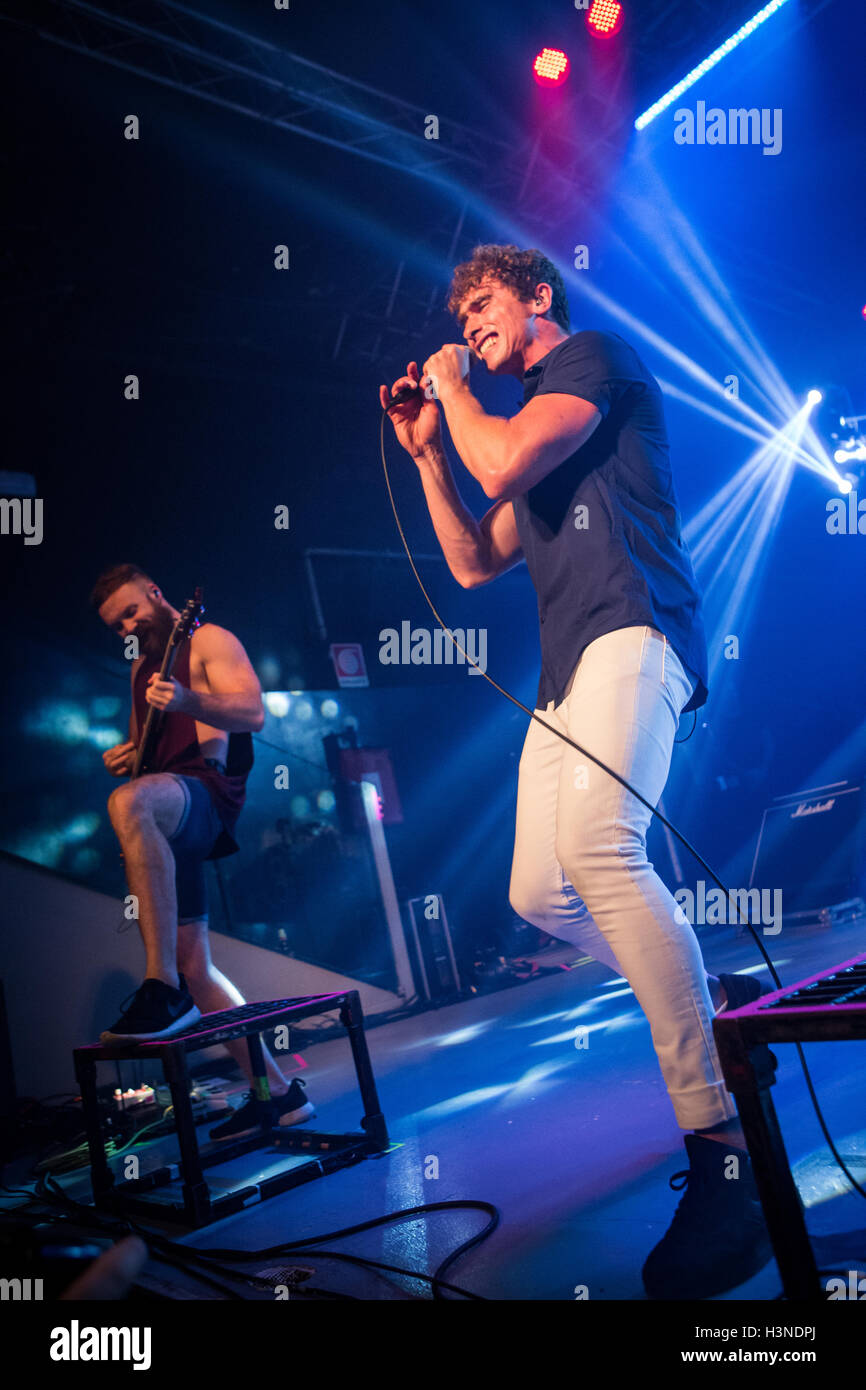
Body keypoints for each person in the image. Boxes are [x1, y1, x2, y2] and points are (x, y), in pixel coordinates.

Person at [379, 244, 773, 1299]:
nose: (468, 329)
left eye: (482, 307)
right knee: (533, 889)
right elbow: (472, 558)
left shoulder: (590, 362)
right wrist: (426, 452)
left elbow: (503, 460)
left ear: (537, 297)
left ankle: (721, 1150)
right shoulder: (520, 433)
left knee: (599, 848)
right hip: (566, 668)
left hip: (633, 630)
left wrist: (457, 395)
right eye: (459, 320)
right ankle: (711, 1001)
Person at [92, 564, 314, 1141]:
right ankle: (280, 1096)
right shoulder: (141, 668)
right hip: (168, 804)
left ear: (157, 596)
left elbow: (251, 713)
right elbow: (154, 751)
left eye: (131, 613)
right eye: (117, 625)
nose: (127, 628)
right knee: (200, 964)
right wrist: (130, 752)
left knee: (129, 802)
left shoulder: (208, 641)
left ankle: (160, 989)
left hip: (207, 795)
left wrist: (189, 697)